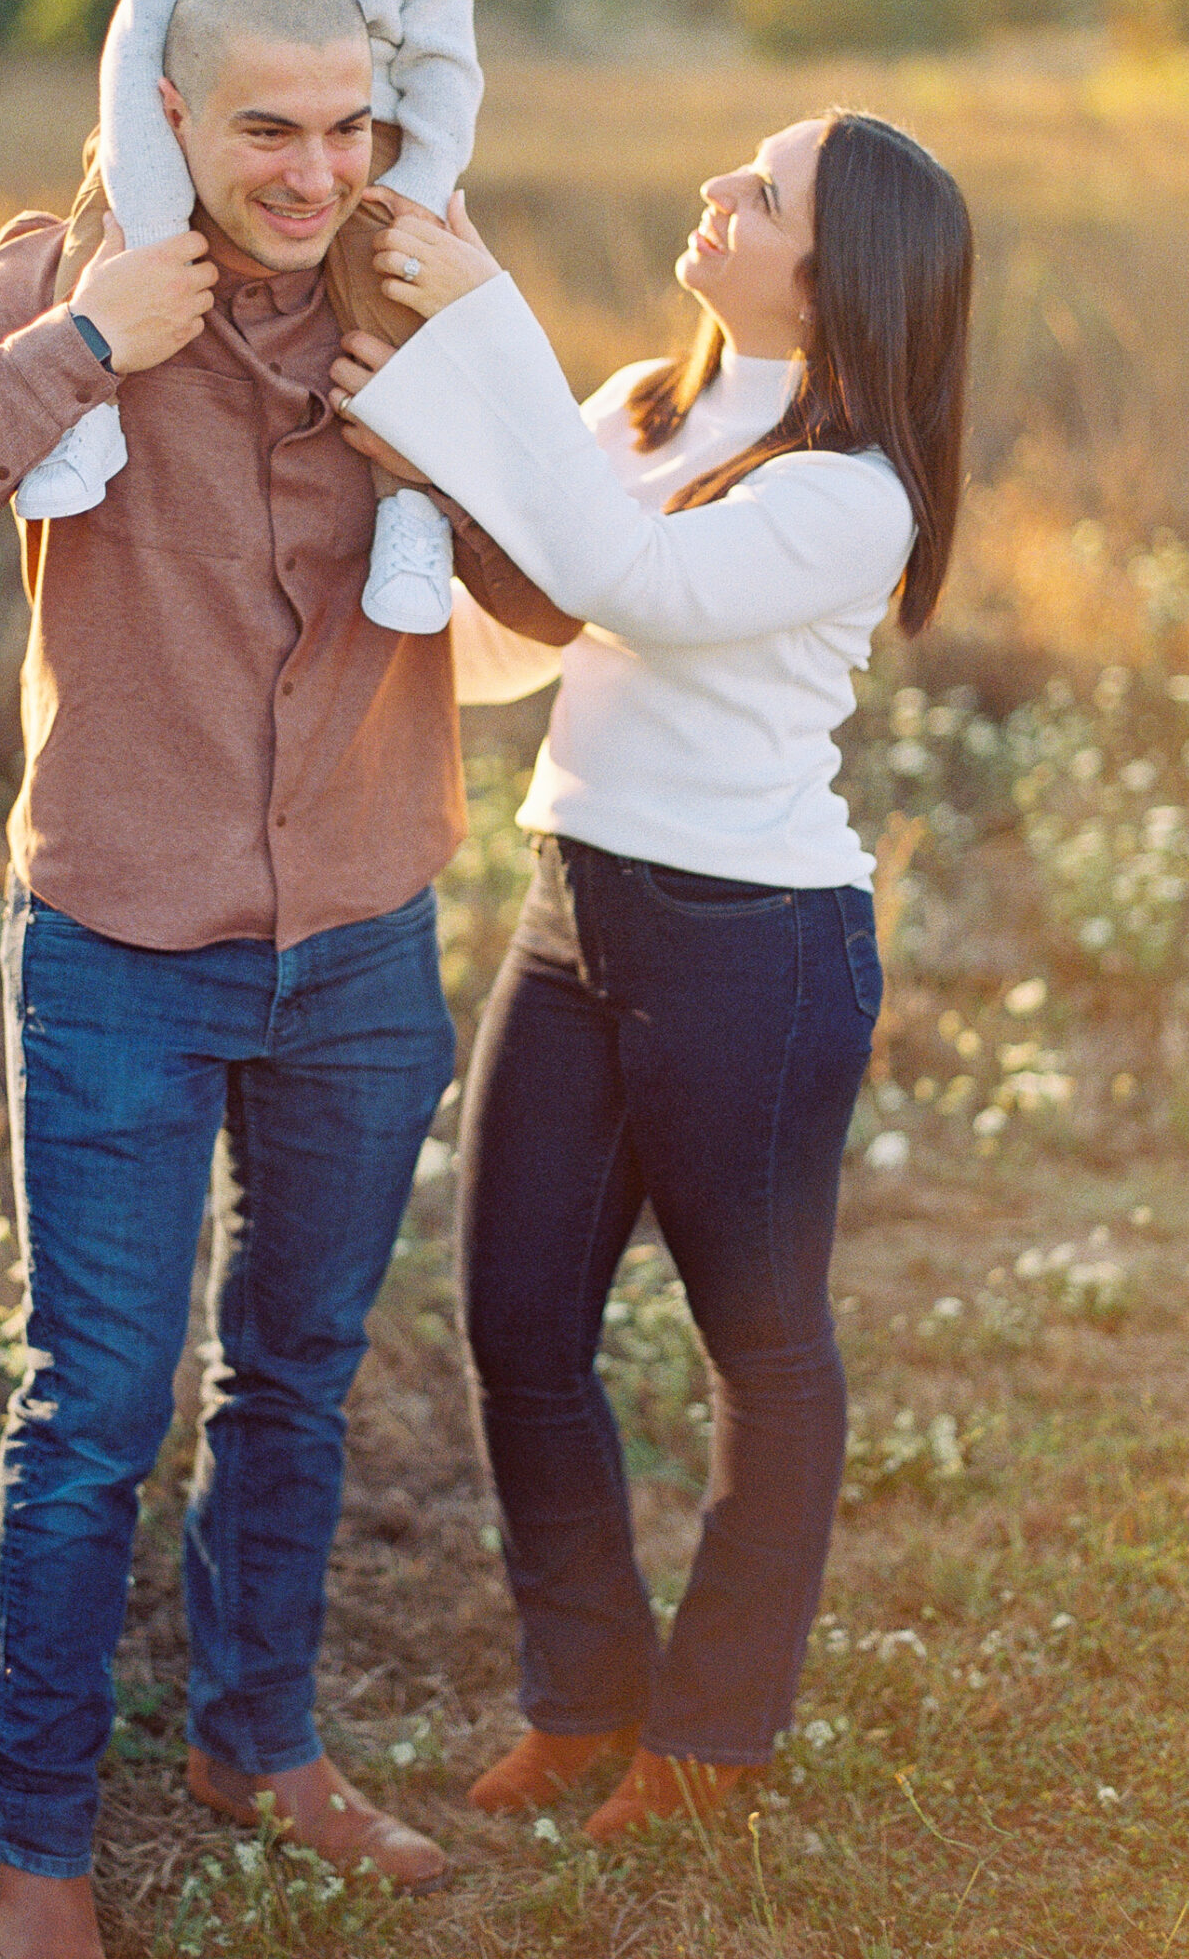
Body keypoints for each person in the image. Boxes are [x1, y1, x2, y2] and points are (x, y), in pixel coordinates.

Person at [0, 0, 572, 1959]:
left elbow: (557, 584)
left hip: (359, 946)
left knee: (297, 1370)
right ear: (173, 110)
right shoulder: (70, 264)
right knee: (92, 1406)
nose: (314, 173)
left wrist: (455, 423)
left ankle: (259, 1739)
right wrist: (71, 342)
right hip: (117, 949)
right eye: (267, 128)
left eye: (349, 128)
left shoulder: (417, 293)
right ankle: (33, 1851)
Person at [332, 110, 973, 1840]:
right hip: (575, 901)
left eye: (760, 197)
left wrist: (482, 339)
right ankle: (584, 1695)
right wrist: (412, 490)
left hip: (753, 949)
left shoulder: (853, 494)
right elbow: (505, 648)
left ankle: (712, 1737)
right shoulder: (636, 407)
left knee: (762, 1352)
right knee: (518, 1321)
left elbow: (633, 579)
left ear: (840, 285)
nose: (715, 192)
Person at [15, 0, 483, 640]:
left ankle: (408, 509)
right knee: (99, 208)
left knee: (393, 294)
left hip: (376, 142)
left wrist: (421, 188)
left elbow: (445, 64)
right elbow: (134, 79)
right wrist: (151, 231)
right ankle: (86, 412)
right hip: (195, 145)